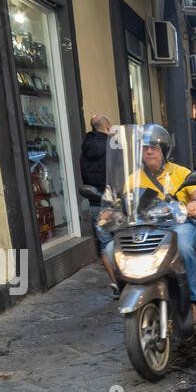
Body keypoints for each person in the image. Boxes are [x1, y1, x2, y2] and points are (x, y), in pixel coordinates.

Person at [99, 124, 196, 323]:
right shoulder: (132, 179)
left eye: (155, 147)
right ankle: (127, 289)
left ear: (165, 151)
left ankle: (192, 301)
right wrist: (110, 211)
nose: (149, 151)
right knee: (109, 249)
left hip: (178, 225)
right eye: (145, 147)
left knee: (184, 246)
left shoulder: (179, 172)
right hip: (143, 228)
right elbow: (121, 204)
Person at [81, 114, 113, 283]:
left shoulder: (85, 148)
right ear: (108, 128)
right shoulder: (112, 147)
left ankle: (115, 282)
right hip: (114, 202)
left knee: (105, 245)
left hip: (94, 201)